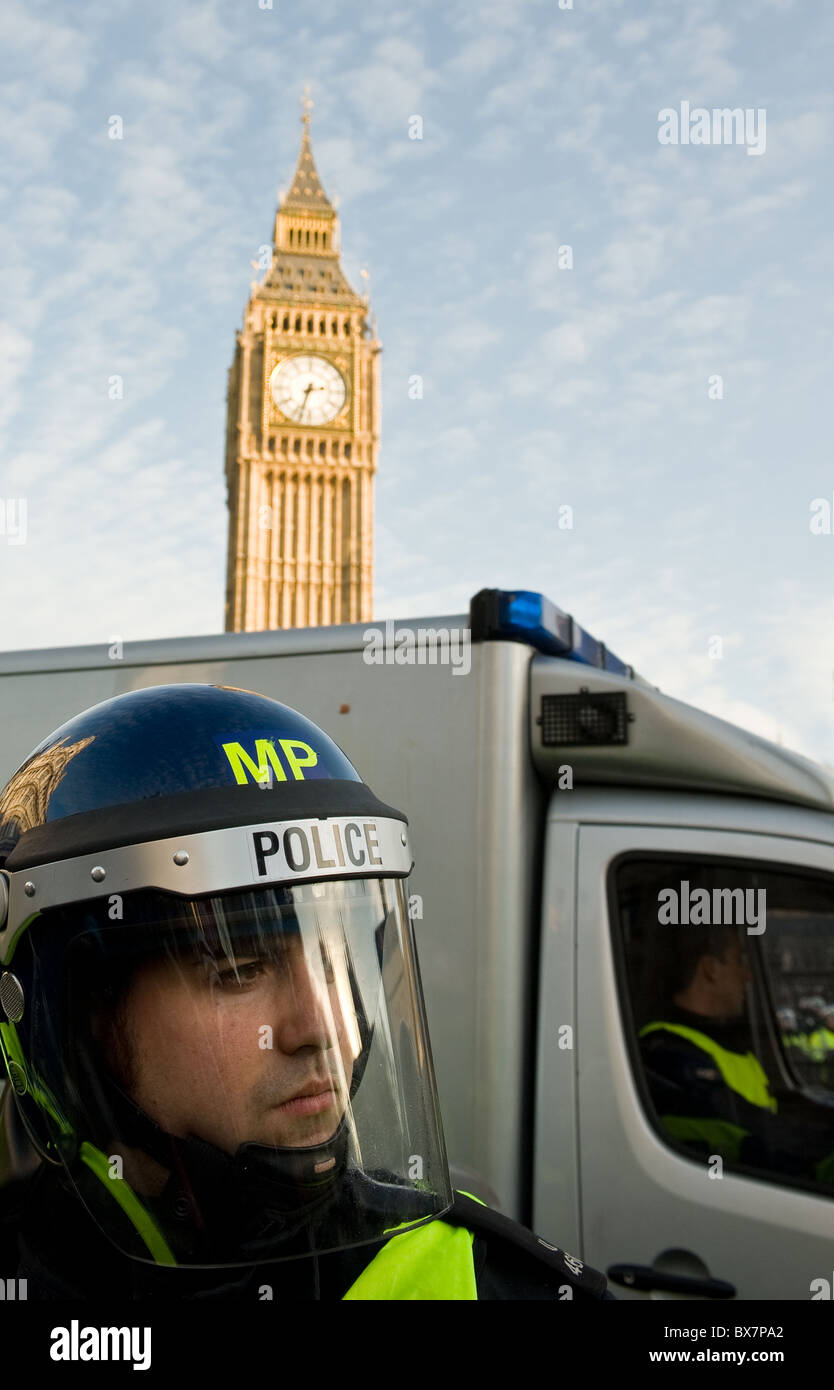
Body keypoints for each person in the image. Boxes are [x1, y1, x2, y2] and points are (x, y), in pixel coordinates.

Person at [0, 683, 612, 1301]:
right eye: (238, 968)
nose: (324, 1028)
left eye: (338, 958)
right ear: (74, 1024)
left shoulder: (486, 1283)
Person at [638, 923, 834, 1184]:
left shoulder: (727, 1042)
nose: (748, 975)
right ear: (710, 969)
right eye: (740, 960)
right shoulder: (669, 1053)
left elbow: (773, 1112)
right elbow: (750, 1131)